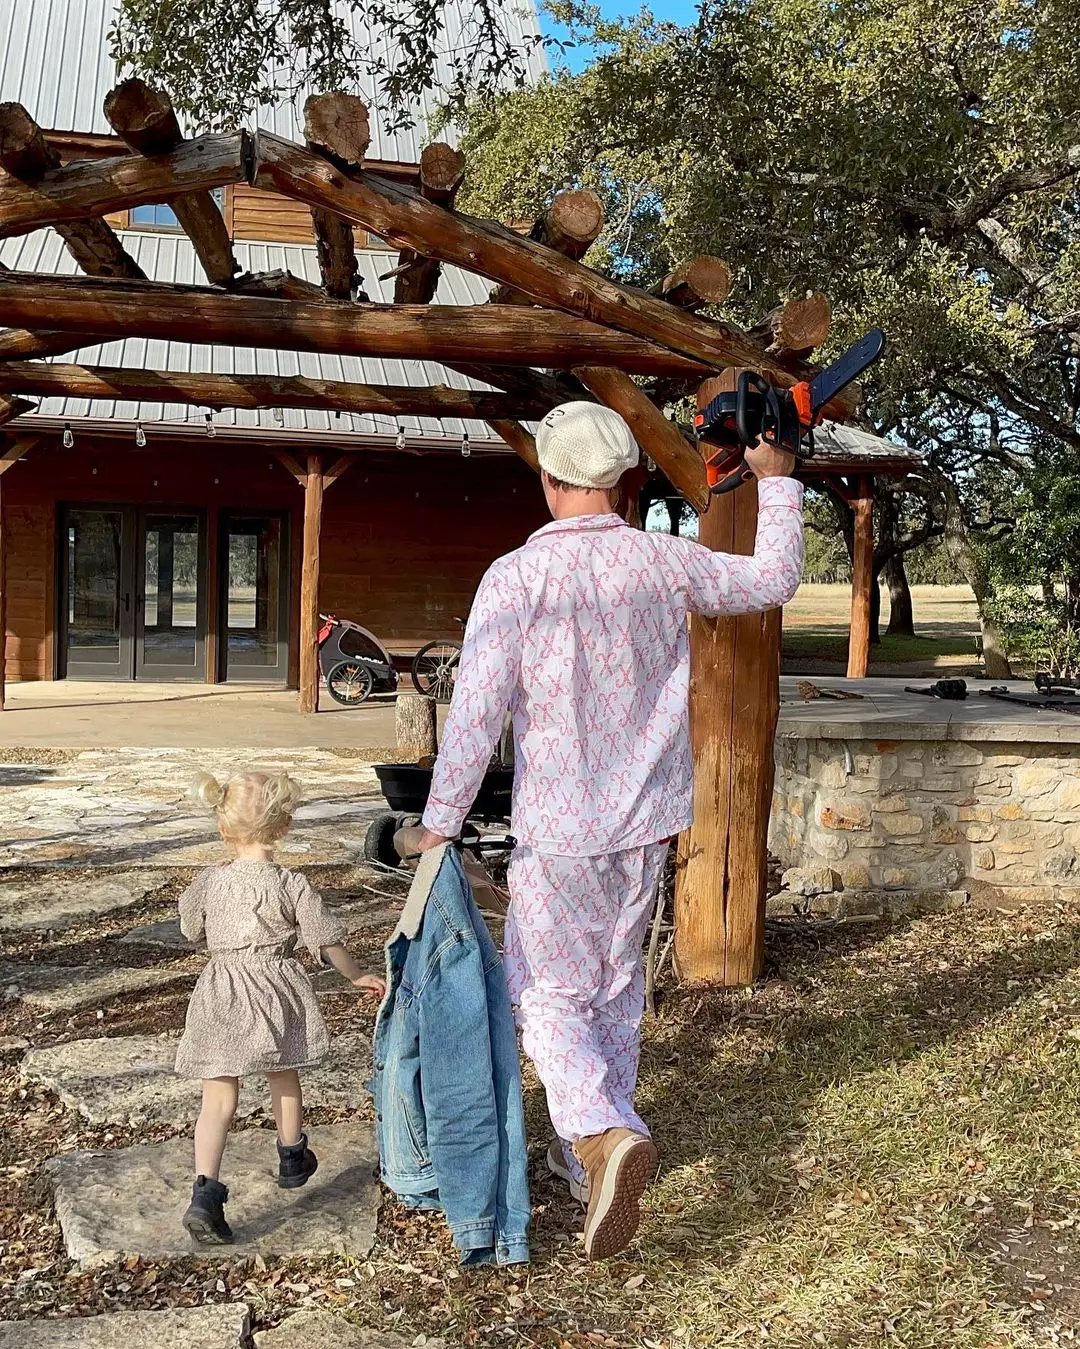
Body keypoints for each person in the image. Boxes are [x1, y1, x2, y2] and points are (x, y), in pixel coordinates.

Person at [416, 401, 804, 1260]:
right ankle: (588, 1152)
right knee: (613, 983)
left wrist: (439, 826)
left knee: (544, 990)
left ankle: (596, 1132)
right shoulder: (664, 562)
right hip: (647, 823)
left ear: (550, 480)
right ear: (625, 480)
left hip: (560, 829)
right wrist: (776, 485)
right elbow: (772, 581)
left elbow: (476, 714)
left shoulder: (517, 578)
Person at [174, 769, 384, 1245]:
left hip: (221, 993)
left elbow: (190, 928)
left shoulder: (209, 880)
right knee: (284, 1071)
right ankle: (292, 1155)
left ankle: (205, 1193)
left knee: (218, 1101)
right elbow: (324, 940)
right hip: (274, 992)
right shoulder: (291, 884)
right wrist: (355, 975)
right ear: (284, 828)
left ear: (223, 828)